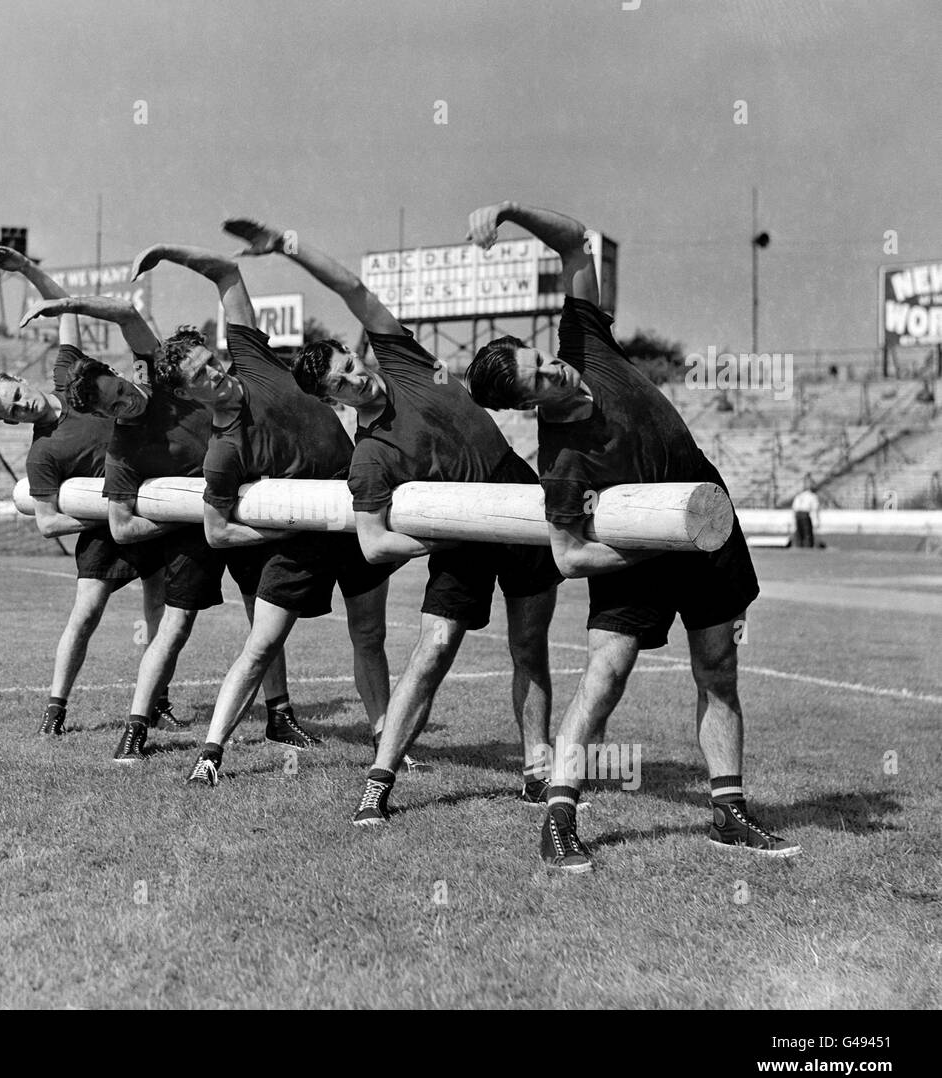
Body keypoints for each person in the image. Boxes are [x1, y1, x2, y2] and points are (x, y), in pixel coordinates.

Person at [463, 197, 799, 872]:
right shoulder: (562, 462)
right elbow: (569, 554)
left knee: (719, 669)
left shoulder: (584, 343)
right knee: (607, 673)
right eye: (538, 379)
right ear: (526, 404)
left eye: (541, 359)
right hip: (639, 547)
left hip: (704, 515)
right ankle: (559, 815)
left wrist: (509, 210)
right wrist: (648, 544)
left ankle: (729, 813)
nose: (554, 369)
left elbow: (577, 247)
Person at [223, 217, 560, 825]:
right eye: (344, 384)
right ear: (334, 401)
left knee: (529, 647)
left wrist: (289, 246)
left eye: (352, 362)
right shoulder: (370, 458)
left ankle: (538, 768)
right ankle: (380, 780)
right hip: (458, 532)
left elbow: (352, 288)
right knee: (433, 650)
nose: (358, 376)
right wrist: (432, 539)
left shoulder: (405, 361)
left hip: (518, 498)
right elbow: (374, 545)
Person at [128, 243, 396, 787]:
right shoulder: (222, 452)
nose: (216, 376)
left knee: (369, 636)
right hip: (301, 537)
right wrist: (279, 528)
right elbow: (217, 531)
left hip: (355, 517)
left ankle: (387, 744)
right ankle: (210, 755)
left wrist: (166, 253)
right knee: (261, 645)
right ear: (187, 394)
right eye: (201, 378)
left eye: (212, 363)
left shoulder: (251, 361)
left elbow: (227, 272)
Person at [22, 295, 317, 762]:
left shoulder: (166, 382)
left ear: (120, 373)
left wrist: (66, 302)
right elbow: (121, 529)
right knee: (175, 626)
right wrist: (181, 517)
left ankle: (279, 717)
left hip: (242, 508)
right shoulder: (121, 450)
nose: (127, 400)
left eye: (120, 387)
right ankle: (135, 730)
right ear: (102, 416)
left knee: (261, 615)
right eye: (114, 405)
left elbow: (127, 315)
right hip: (189, 529)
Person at [0, 241, 185, 738]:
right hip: (104, 523)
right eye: (13, 411)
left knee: (159, 606)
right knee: (86, 613)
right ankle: (56, 707)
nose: (23, 406)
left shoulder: (72, 376)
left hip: (145, 505)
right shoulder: (42, 454)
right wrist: (101, 515)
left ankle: (157, 702)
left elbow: (64, 307)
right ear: (9, 421)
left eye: (18, 395)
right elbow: (48, 522)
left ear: (21, 380)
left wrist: (26, 268)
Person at [791, 477, 820, 549]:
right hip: (805, 515)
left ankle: (799, 545)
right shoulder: (812, 496)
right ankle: (808, 546)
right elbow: (815, 509)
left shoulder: (799, 495)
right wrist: (816, 520)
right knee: (807, 533)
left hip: (798, 514)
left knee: (799, 532)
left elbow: (794, 507)